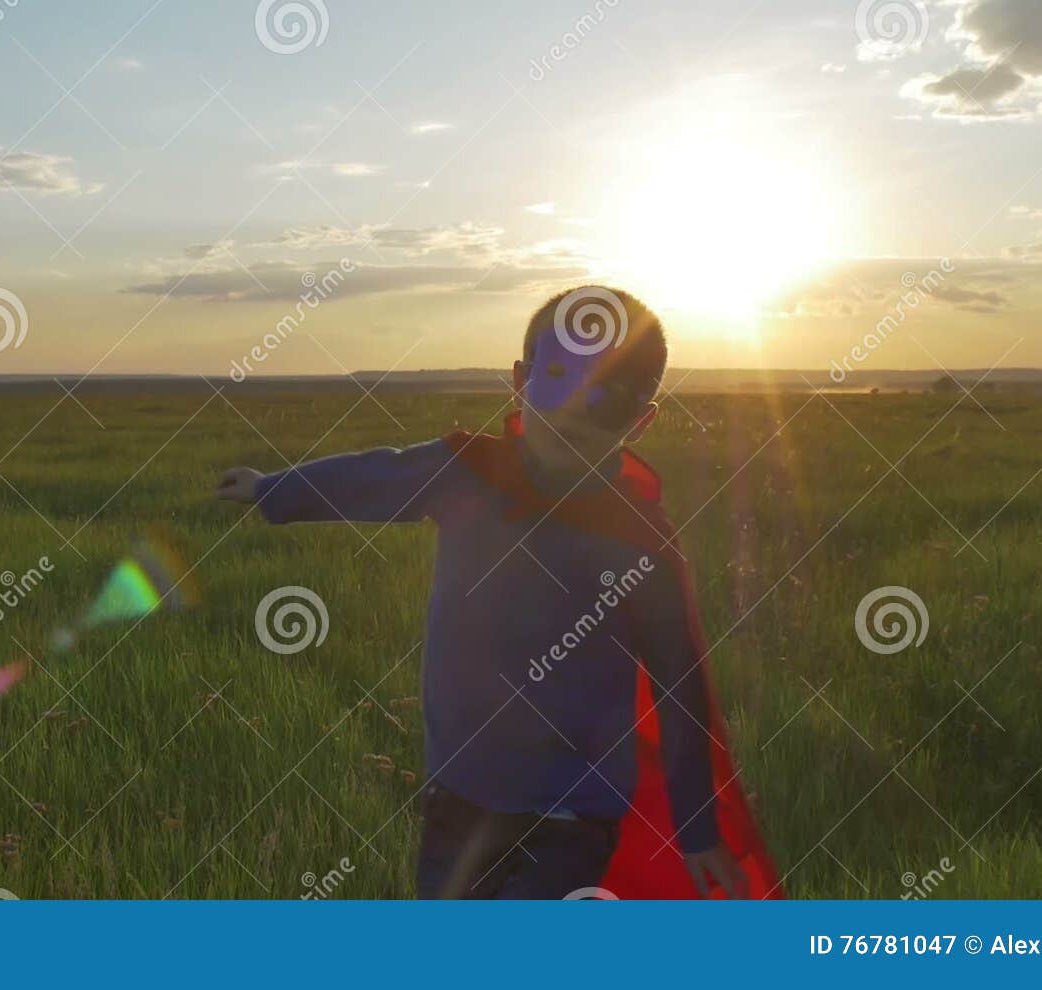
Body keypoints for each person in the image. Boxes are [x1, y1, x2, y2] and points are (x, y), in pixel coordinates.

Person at [216, 286, 780, 899]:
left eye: (611, 398)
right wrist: (272, 489)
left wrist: (697, 831)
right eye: (558, 381)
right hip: (460, 796)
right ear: (520, 382)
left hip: (575, 816)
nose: (576, 414)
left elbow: (678, 688)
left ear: (641, 419)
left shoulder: (637, 541)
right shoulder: (467, 472)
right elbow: (372, 477)